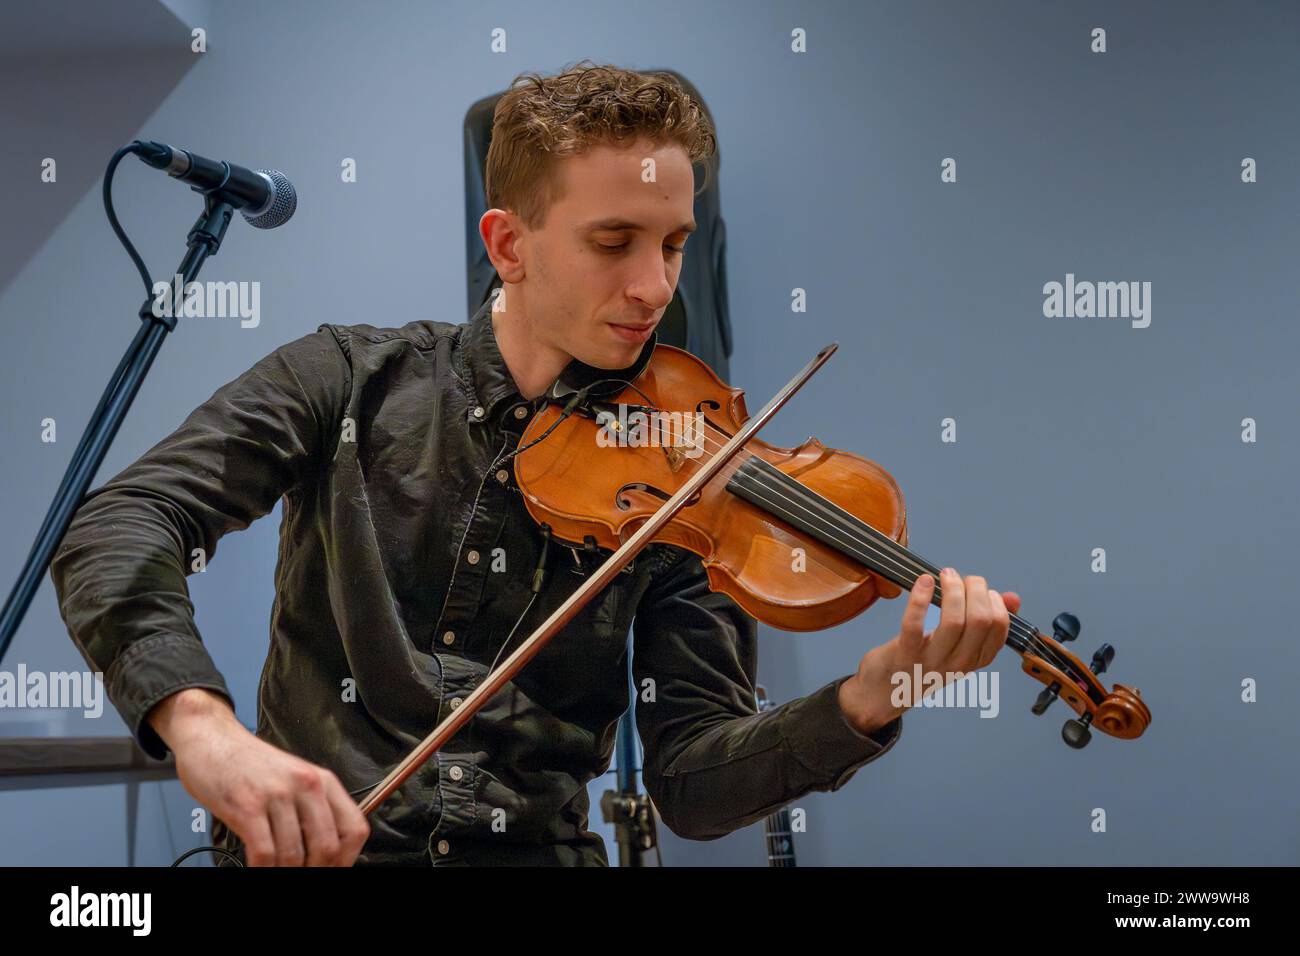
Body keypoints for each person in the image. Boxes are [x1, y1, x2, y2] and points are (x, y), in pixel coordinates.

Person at [50, 62, 1019, 867]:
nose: (653, 287)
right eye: (614, 242)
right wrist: (205, 732)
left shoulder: (695, 471)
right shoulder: (349, 377)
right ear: (508, 244)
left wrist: (874, 690)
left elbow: (690, 780)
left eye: (675, 245)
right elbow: (122, 521)